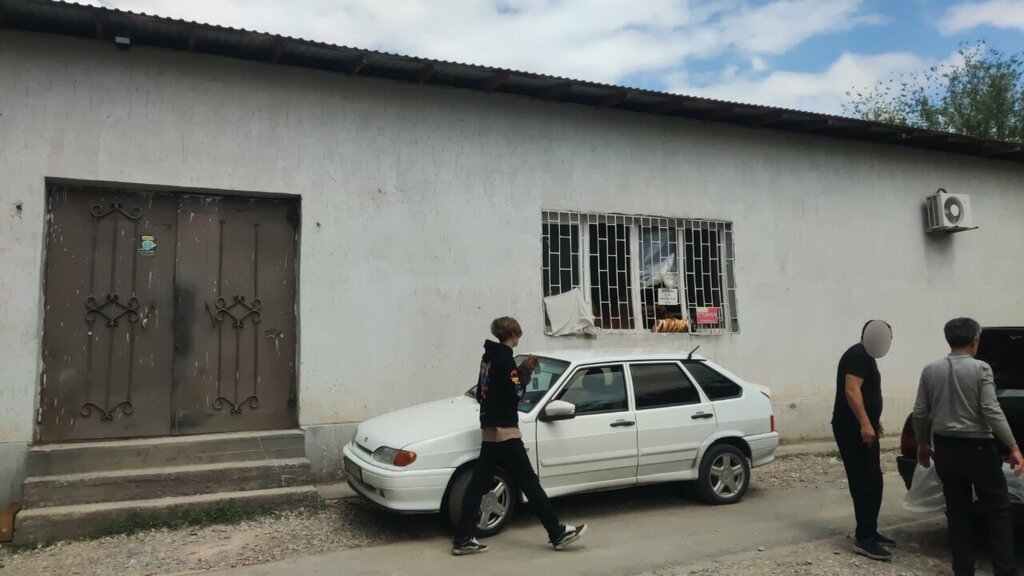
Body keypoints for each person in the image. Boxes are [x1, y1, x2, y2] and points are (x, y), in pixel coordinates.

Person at [452, 316, 587, 556]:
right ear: (514, 334)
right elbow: (516, 392)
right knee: (529, 482)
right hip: (506, 432)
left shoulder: (487, 358)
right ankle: (557, 533)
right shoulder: (506, 359)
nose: (518, 339)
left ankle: (463, 538)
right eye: (518, 335)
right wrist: (524, 376)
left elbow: (482, 392)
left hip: (489, 429)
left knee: (478, 485)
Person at [913, 317, 1023, 576]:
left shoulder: (930, 370)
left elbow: (920, 411)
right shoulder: (981, 369)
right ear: (974, 342)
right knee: (998, 510)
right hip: (978, 449)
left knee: (957, 510)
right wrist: (1013, 446)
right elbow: (991, 410)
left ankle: (963, 569)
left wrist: (922, 444)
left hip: (945, 449)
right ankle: (1004, 570)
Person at [832, 319, 894, 561]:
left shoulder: (866, 357)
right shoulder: (858, 355)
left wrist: (873, 421)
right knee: (863, 481)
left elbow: (866, 393)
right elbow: (852, 390)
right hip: (852, 430)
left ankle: (871, 530)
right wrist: (865, 423)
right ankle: (864, 537)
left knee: (874, 480)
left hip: (863, 428)